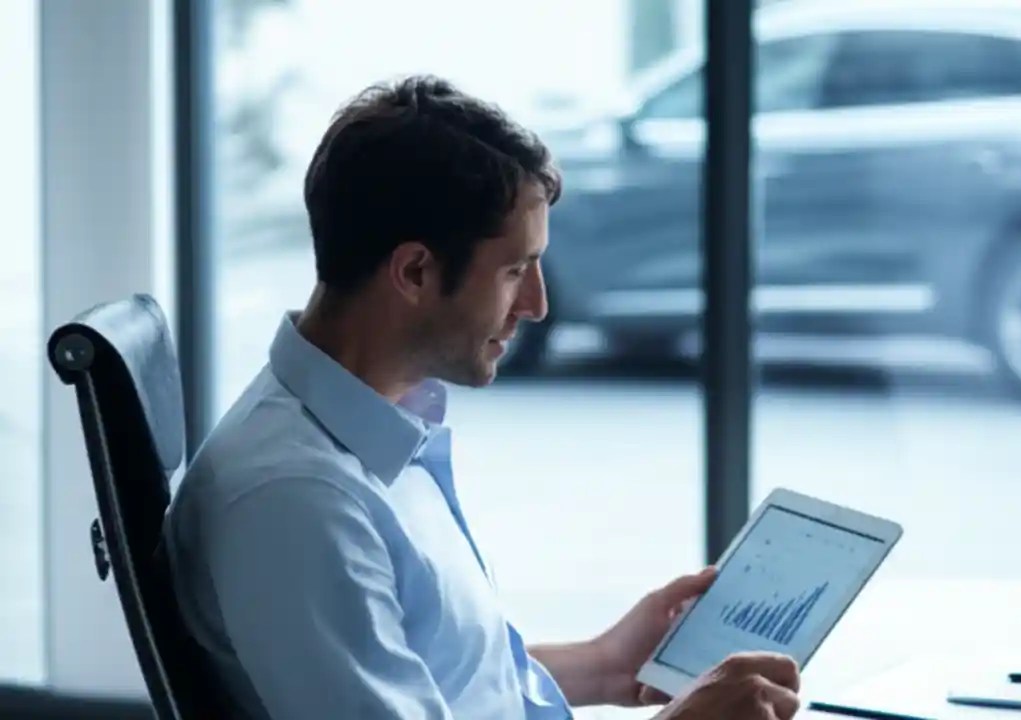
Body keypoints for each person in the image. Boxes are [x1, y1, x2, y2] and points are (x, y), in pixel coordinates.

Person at [162, 74, 802, 720]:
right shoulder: (297, 504)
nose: (538, 305)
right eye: (515, 270)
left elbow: (448, 678)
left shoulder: (370, 422)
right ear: (414, 271)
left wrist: (609, 662)